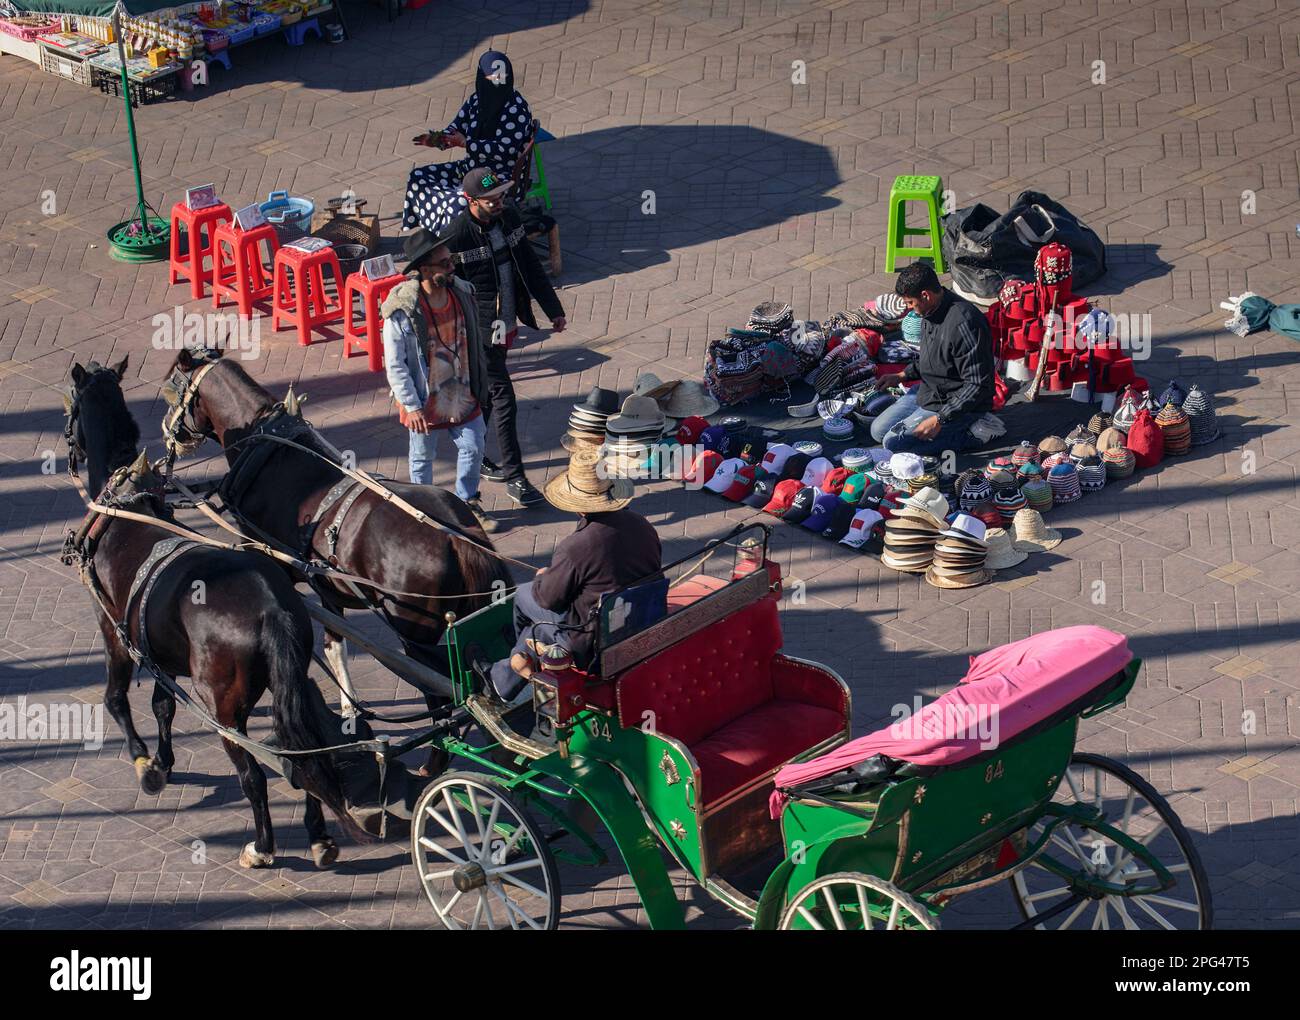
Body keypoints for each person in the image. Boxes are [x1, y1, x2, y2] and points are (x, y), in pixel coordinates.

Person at [487, 447, 662, 703]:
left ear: (578, 506)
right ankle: (511, 669)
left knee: (525, 595)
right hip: (641, 616)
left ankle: (516, 664)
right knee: (537, 614)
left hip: (591, 640)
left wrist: (543, 577)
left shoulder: (577, 546)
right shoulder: (641, 524)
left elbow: (548, 599)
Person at [443, 166, 568, 507]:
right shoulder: (455, 237)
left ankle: (476, 455)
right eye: (491, 199)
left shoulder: (510, 218)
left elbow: (528, 265)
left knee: (484, 396)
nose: (499, 202)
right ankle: (515, 477)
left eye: (501, 195)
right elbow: (442, 287)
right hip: (477, 332)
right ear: (470, 201)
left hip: (506, 324)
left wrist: (552, 308)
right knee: (503, 398)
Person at [382, 228, 497, 532]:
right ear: (424, 270)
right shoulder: (402, 313)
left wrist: (481, 382)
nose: (452, 267)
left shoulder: (462, 293)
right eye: (445, 263)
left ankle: (468, 501)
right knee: (422, 458)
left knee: (474, 446)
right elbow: (395, 364)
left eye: (451, 261)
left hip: (461, 392)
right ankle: (426, 510)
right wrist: (411, 405)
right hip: (424, 399)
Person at [402, 50, 536, 234]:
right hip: (469, 170)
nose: (496, 87)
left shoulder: (517, 109)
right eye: (491, 82)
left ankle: (452, 242)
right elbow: (457, 127)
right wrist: (439, 139)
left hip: (497, 177)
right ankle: (433, 234)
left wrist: (467, 144)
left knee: (458, 201)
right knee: (419, 177)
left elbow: (505, 149)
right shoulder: (477, 100)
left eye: (500, 81)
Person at [870, 263, 996, 455]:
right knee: (877, 431)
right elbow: (932, 357)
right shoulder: (929, 310)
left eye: (910, 303)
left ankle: (975, 432)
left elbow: (977, 384)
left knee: (894, 444)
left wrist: (941, 418)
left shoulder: (965, 323)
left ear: (925, 295)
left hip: (956, 404)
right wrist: (902, 375)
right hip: (928, 392)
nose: (909, 309)